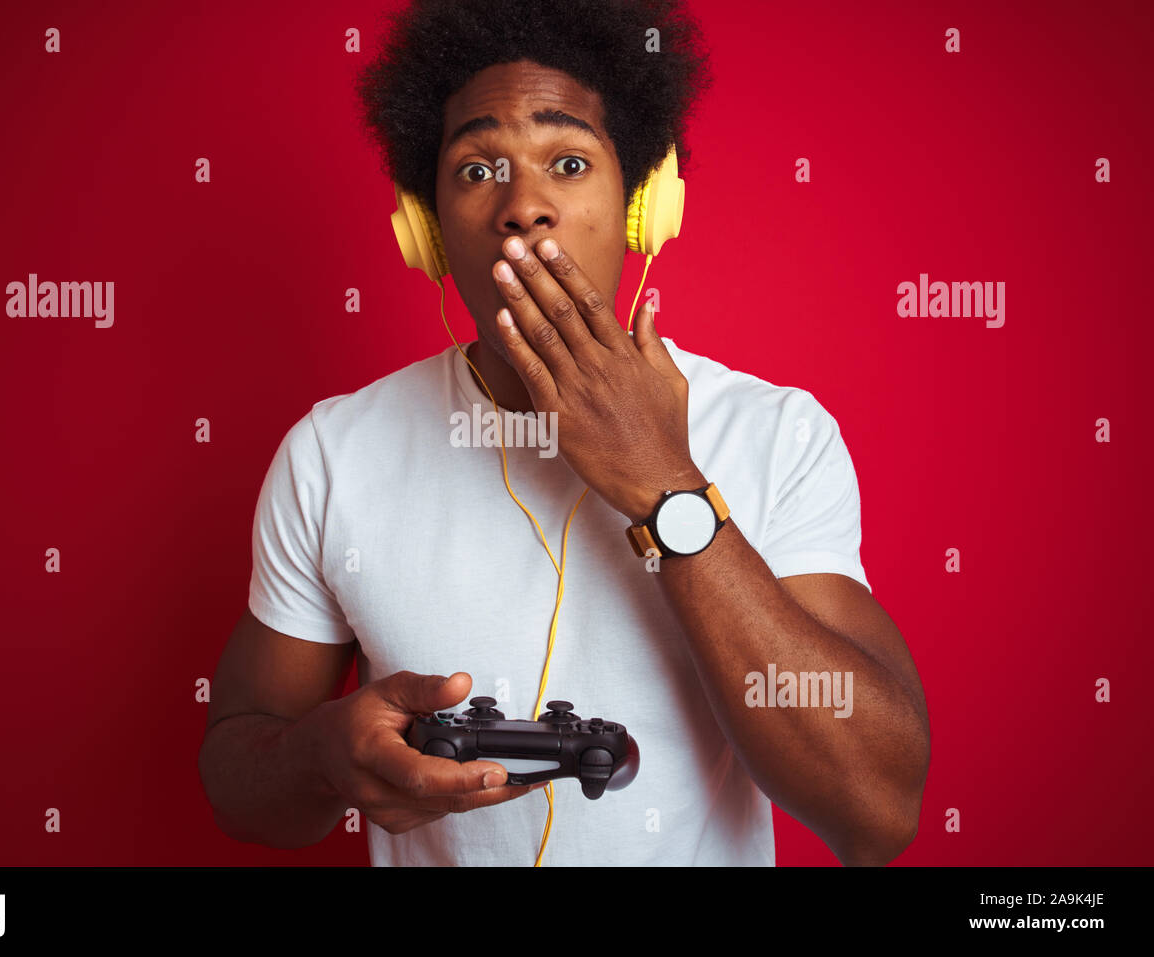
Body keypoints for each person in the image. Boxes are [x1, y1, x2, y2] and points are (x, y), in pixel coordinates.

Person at [198, 0, 930, 866]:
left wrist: (666, 487)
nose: (523, 206)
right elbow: (238, 776)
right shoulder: (331, 454)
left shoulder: (778, 434)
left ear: (644, 207)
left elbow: (877, 811)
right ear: (425, 229)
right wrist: (324, 757)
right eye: (477, 170)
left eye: (569, 161)